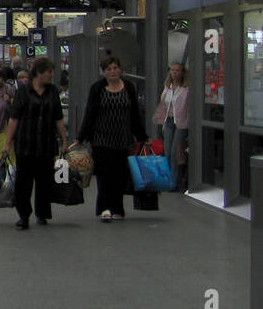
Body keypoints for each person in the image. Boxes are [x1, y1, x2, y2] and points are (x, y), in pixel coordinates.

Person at [78, 56, 149, 221]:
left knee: (120, 175)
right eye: (109, 69)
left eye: (115, 68)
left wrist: (141, 136)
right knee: (104, 174)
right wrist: (81, 136)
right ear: (104, 72)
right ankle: (105, 208)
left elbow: (134, 114)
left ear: (120, 69)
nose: (113, 71)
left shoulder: (129, 87)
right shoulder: (97, 88)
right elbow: (90, 113)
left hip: (123, 139)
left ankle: (118, 208)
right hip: (101, 139)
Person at [4, 57, 67, 229]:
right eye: (49, 72)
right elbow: (14, 118)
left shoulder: (53, 91)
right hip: (26, 144)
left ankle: (42, 213)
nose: (52, 75)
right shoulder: (23, 92)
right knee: (23, 182)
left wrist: (64, 140)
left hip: (46, 144)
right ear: (39, 73)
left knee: (44, 181)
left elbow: (58, 117)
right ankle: (23, 215)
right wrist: (7, 143)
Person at [153, 61, 189, 191]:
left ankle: (174, 182)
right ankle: (167, 179)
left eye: (177, 70)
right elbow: (164, 105)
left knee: (175, 153)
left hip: (181, 123)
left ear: (182, 72)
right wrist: (162, 122)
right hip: (168, 121)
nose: (174, 72)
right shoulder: (167, 87)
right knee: (167, 152)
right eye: (172, 70)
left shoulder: (186, 89)